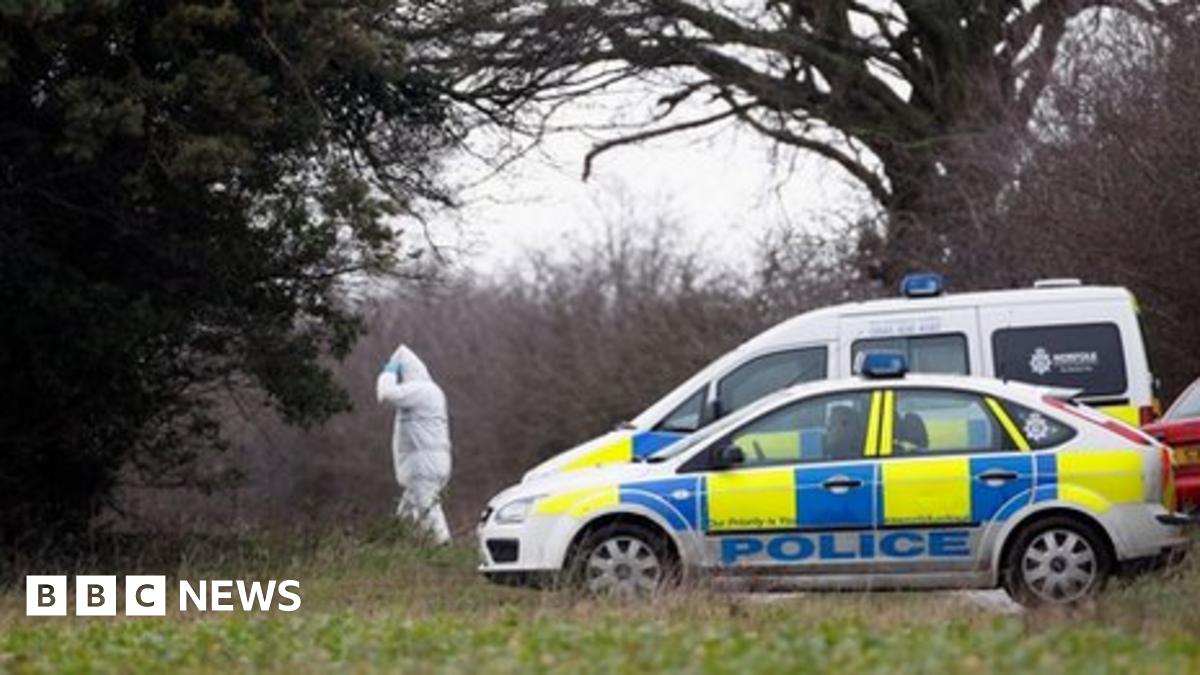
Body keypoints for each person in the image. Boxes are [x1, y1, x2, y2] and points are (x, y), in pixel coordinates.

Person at [376, 343, 452, 544]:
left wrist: (389, 371)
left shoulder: (421, 390)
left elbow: (385, 393)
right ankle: (398, 548)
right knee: (406, 513)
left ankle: (445, 547)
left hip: (424, 466)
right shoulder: (431, 391)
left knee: (430, 512)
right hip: (429, 463)